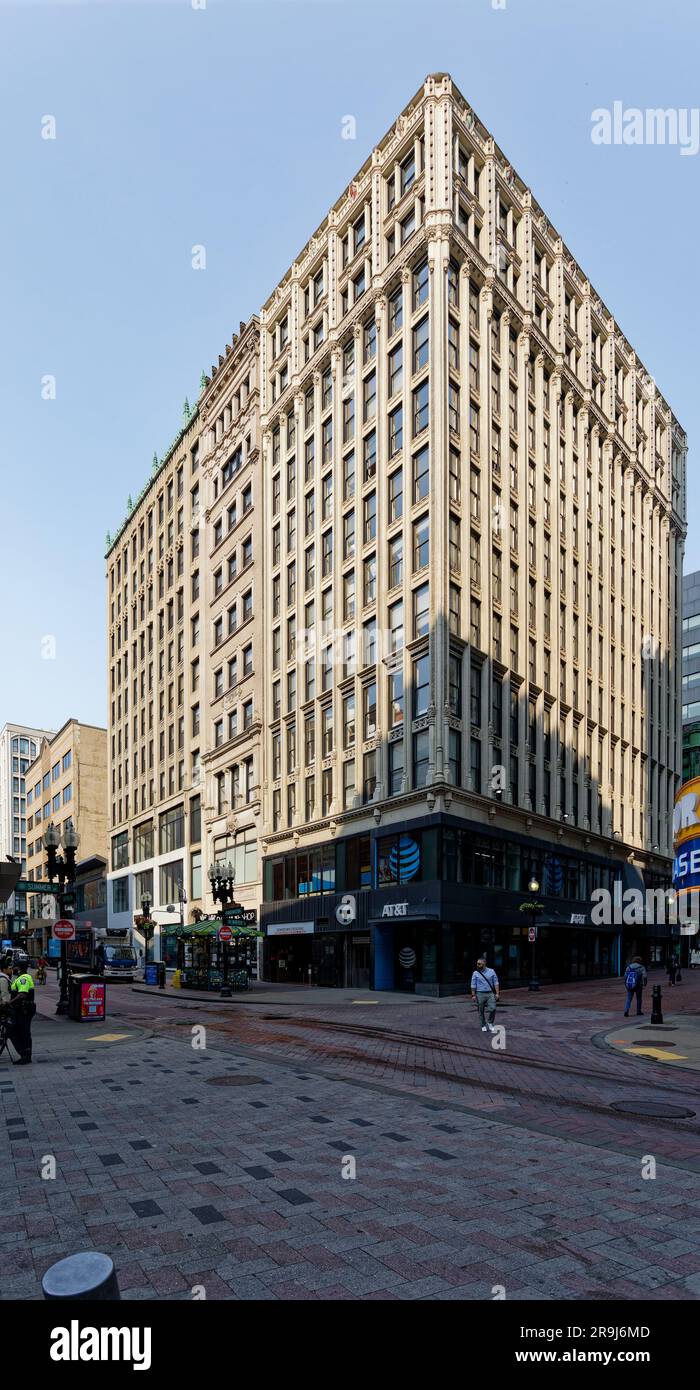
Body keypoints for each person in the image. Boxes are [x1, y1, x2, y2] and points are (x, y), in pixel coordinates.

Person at [9, 968, 35, 1065]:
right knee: (20, 1032)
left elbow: (22, 995)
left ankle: (26, 1056)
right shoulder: (23, 978)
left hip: (23, 1010)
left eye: (14, 967)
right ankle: (24, 1055)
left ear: (19, 969)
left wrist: (9, 1003)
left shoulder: (23, 979)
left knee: (22, 1032)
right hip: (22, 1010)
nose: (13, 969)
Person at [470, 957, 500, 1033]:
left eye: (479, 964)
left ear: (484, 963)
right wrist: (473, 995)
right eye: (477, 963)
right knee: (481, 1010)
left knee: (493, 1008)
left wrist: (497, 993)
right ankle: (483, 1025)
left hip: (490, 993)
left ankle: (490, 1022)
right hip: (479, 993)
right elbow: (473, 984)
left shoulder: (491, 971)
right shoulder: (475, 973)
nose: (477, 965)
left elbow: (496, 983)